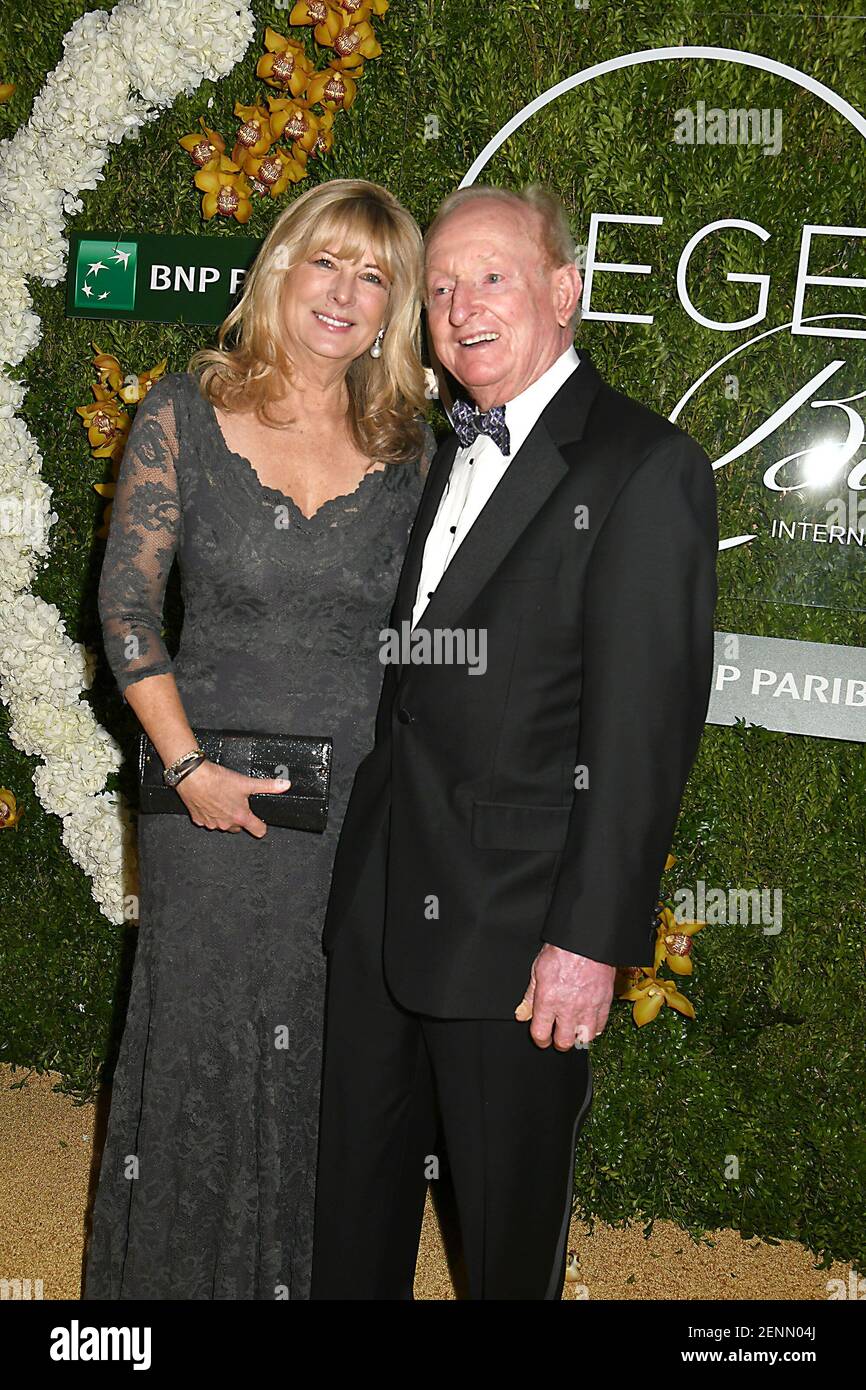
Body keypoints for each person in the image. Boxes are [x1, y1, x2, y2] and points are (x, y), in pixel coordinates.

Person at [311, 182, 719, 1300]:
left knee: (499, 1240)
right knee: (349, 1214)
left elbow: (641, 737)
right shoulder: (440, 449)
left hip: (517, 935)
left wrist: (590, 942)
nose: (459, 306)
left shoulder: (643, 466)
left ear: (561, 290)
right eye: (439, 286)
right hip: (382, 905)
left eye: (489, 276)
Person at [83, 178, 435, 1300]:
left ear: (393, 307)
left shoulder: (410, 445)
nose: (343, 291)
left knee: (324, 1053)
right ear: (279, 268)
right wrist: (185, 767)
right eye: (324, 261)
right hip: (203, 797)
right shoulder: (185, 409)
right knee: (199, 1044)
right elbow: (127, 611)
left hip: (351, 813)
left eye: (373, 274)